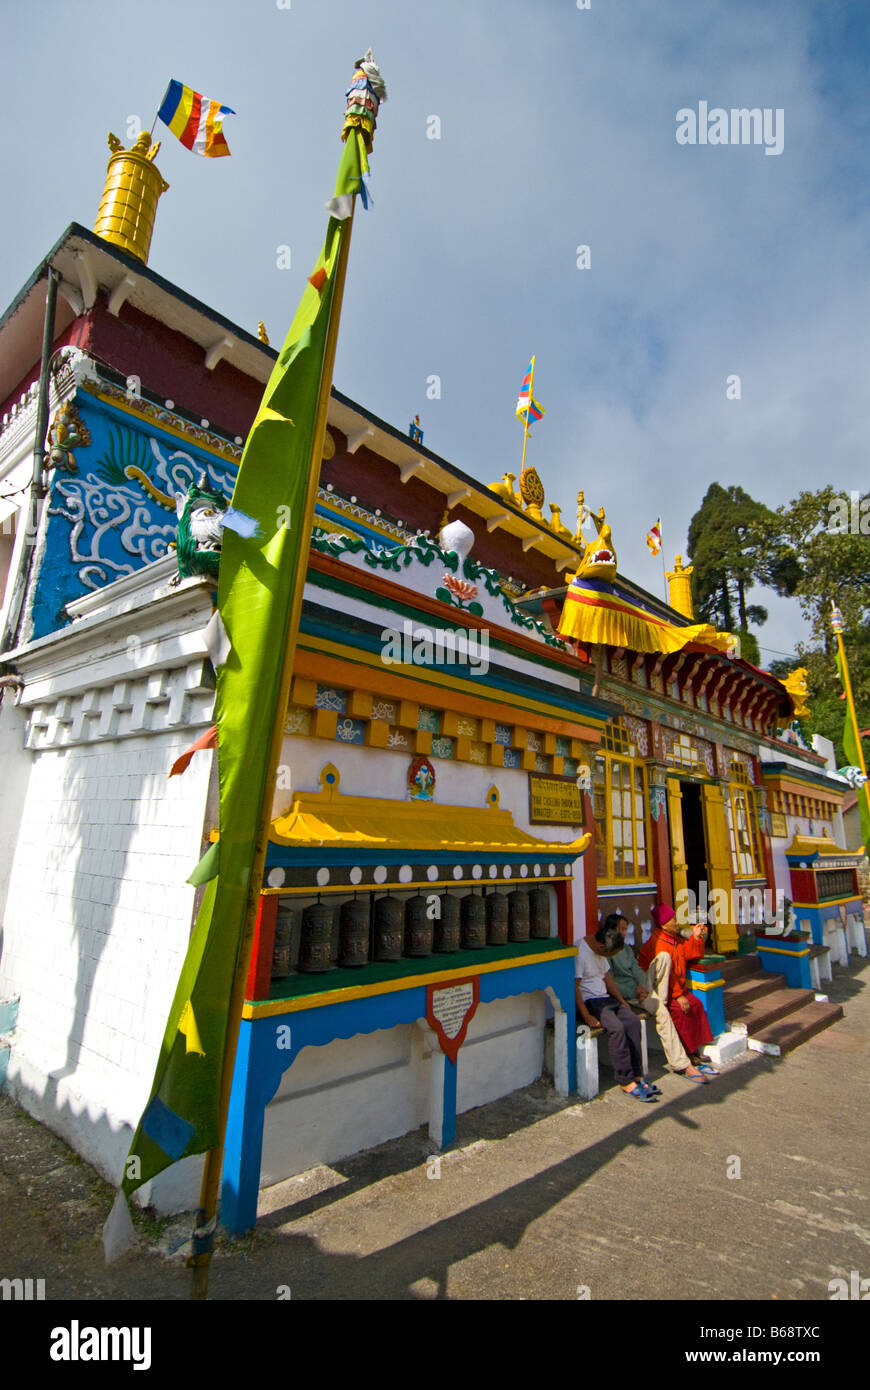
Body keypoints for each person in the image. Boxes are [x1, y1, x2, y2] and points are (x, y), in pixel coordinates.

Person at [605, 913, 711, 1084]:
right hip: (629, 995)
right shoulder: (607, 952)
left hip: (642, 990)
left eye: (625, 930)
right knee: (662, 1013)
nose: (624, 933)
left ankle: (660, 1001)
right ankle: (682, 1064)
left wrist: (642, 986)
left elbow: (637, 970)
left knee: (663, 957)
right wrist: (635, 991)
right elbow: (610, 981)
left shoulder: (625, 949)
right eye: (621, 930)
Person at [575, 918, 658, 1101]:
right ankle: (625, 1080)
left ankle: (637, 1075)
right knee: (617, 1029)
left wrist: (622, 1001)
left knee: (633, 1022)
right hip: (592, 1002)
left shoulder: (603, 947)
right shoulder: (581, 952)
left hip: (607, 998)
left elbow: (607, 978)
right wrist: (586, 1015)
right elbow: (575, 986)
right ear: (601, 947)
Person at [638, 904, 718, 1074]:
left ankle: (695, 1049)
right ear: (664, 924)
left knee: (695, 1004)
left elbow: (687, 953)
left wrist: (696, 938)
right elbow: (666, 975)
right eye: (673, 919)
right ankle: (688, 1053)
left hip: (677, 988)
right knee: (679, 1010)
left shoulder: (673, 938)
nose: (677, 922)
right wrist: (677, 995)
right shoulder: (658, 943)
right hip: (661, 990)